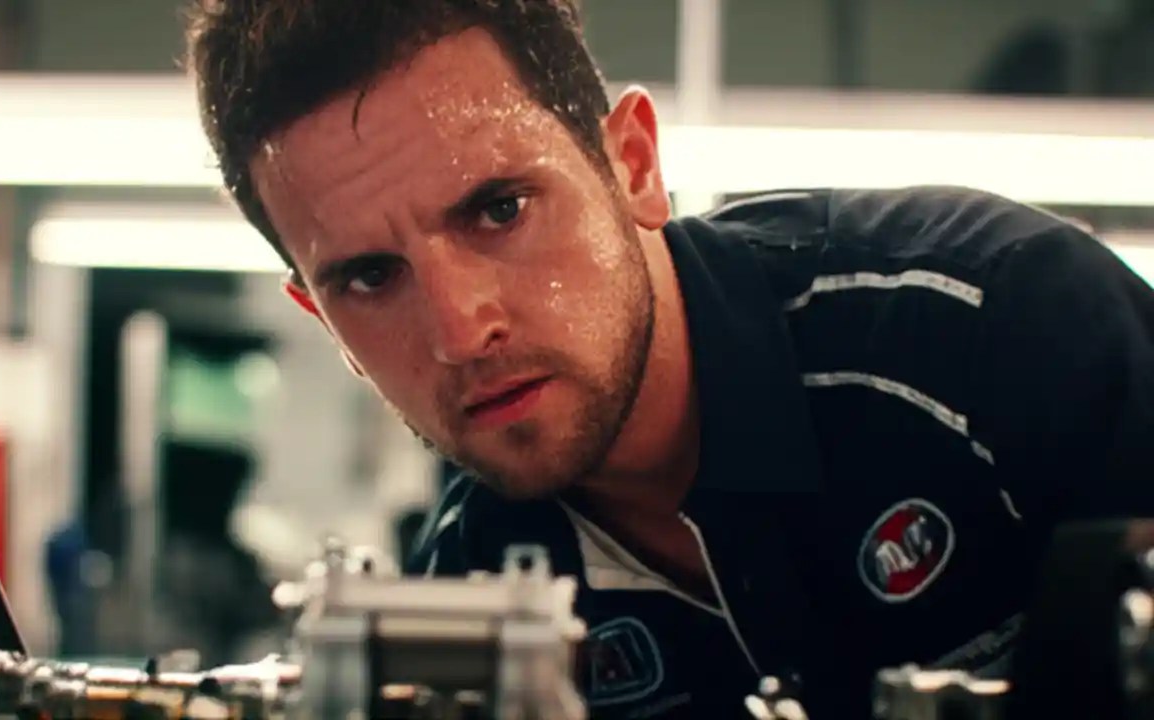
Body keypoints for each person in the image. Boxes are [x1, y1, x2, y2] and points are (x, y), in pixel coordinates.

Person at [184, 1, 1154, 716]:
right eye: (367, 276)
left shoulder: (995, 329)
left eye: (498, 209)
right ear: (320, 319)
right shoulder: (465, 600)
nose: (457, 328)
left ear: (634, 166)